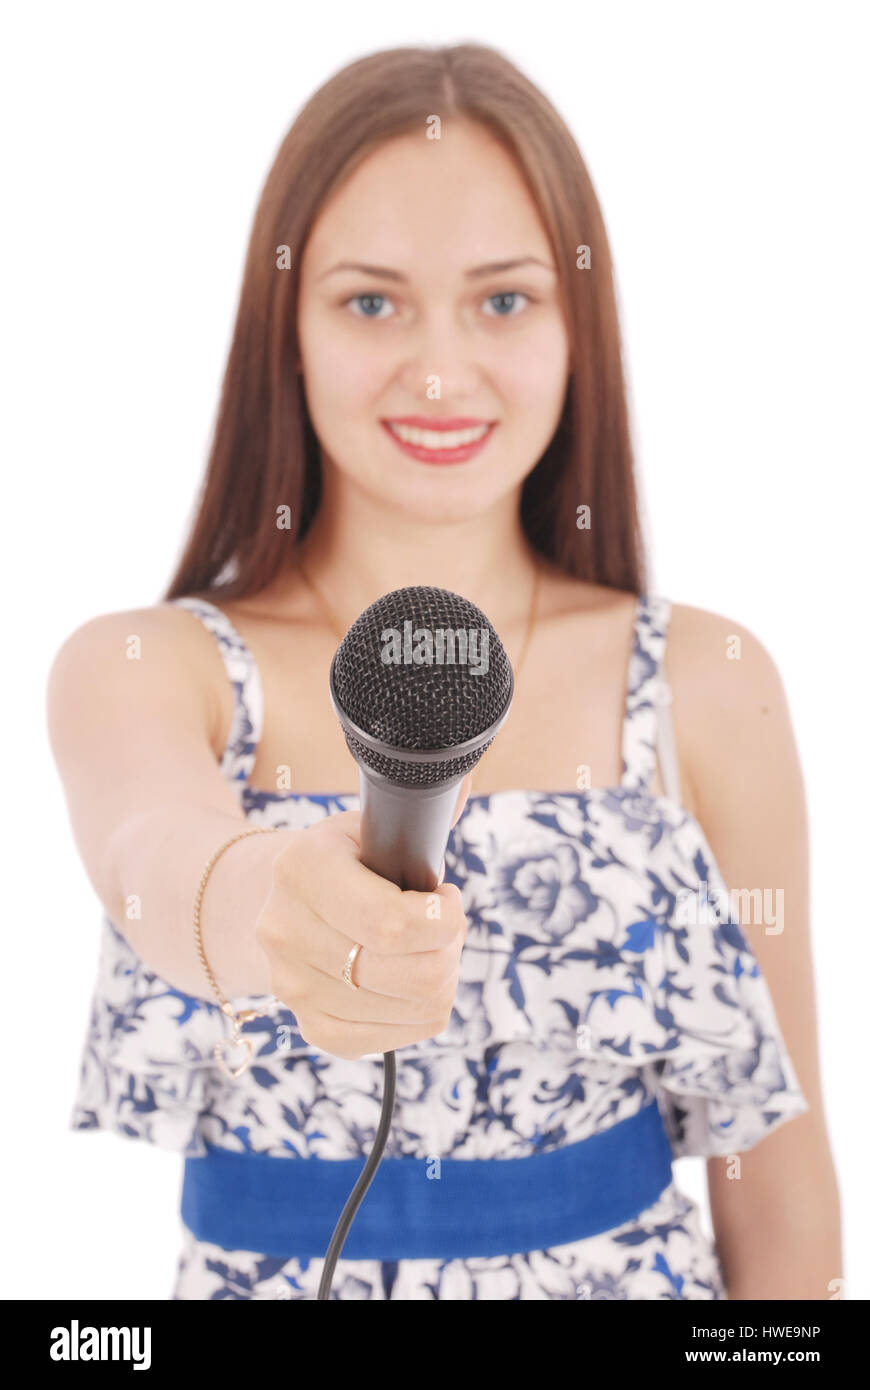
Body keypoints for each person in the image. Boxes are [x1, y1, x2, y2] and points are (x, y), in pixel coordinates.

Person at [47, 43, 841, 1301]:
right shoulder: (149, 667)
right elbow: (160, 851)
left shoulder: (706, 680)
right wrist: (275, 905)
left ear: (581, 326)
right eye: (370, 301)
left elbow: (780, 1190)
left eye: (505, 299)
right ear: (288, 330)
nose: (435, 368)